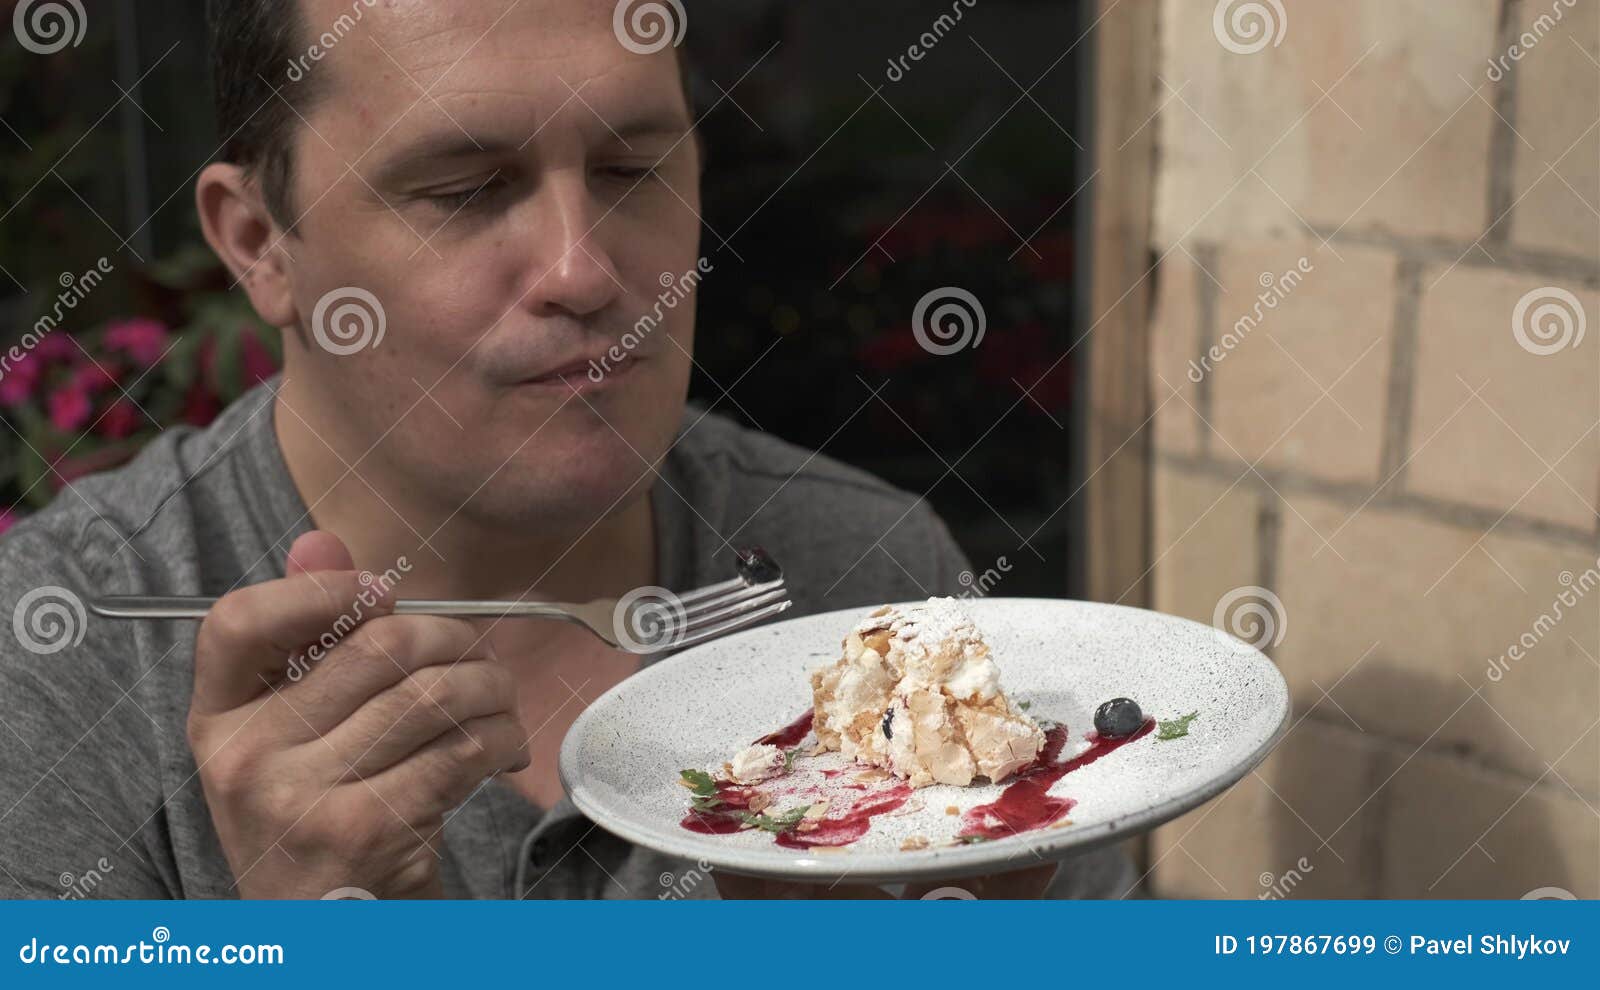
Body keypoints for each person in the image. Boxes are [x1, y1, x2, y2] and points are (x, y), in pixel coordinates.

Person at [0, 0, 1132, 900]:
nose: (584, 273)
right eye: (466, 190)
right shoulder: (69, 653)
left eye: (631, 171)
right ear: (260, 245)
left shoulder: (866, 574)